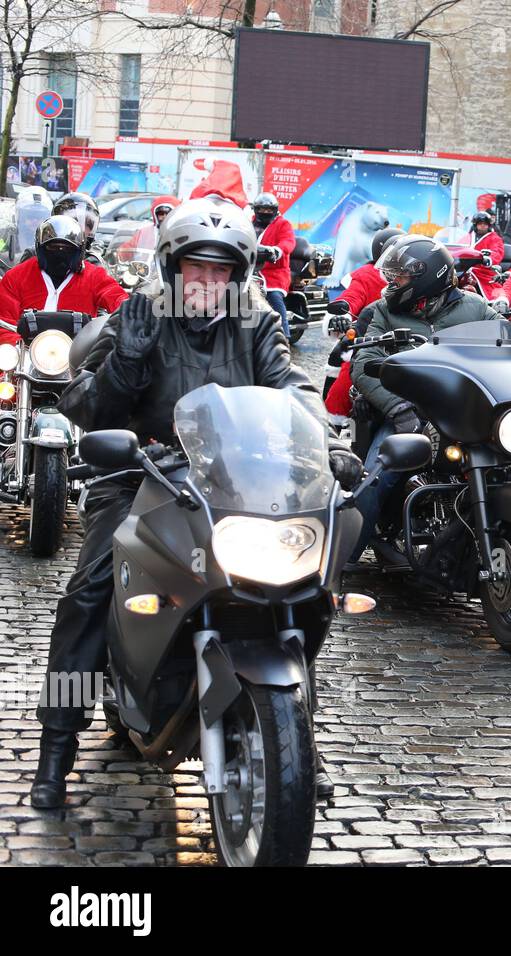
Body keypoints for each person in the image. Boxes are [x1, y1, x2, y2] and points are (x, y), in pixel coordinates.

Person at [28, 197, 362, 810]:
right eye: (196, 268)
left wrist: (327, 439)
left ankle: (295, 735)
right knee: (90, 589)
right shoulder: (138, 314)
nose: (208, 282)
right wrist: (125, 360)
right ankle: (57, 746)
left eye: (221, 270)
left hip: (233, 479)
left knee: (306, 581)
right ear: (173, 265)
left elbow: (290, 385)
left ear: (238, 274)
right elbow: (89, 410)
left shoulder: (256, 320)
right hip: (139, 472)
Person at [348, 236, 495, 561]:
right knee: (373, 478)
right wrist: (399, 410)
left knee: (509, 467)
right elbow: (363, 362)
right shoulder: (383, 312)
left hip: (465, 415)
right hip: (408, 414)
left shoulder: (476, 308)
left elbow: (509, 338)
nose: (391, 283)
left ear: (426, 275)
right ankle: (341, 563)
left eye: (399, 277)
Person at [0, 215, 127, 347]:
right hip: (26, 354)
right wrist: (17, 346)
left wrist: (129, 310)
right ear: (39, 248)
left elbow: (115, 295)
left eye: (67, 248)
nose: (60, 253)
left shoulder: (94, 276)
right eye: (53, 247)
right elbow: (3, 323)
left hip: (78, 354)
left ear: (80, 250)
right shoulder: (16, 276)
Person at [323, 227, 404, 416]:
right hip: (371, 343)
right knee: (341, 391)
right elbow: (352, 297)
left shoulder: (415, 277)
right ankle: (331, 436)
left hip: (410, 345)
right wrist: (341, 317)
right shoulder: (367, 276)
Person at [250, 191, 297, 339]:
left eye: (269, 210)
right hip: (249, 269)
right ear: (256, 209)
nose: (265, 212)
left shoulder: (283, 224)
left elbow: (288, 241)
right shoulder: (249, 222)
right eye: (262, 209)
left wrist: (277, 250)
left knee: (273, 296)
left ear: (275, 210)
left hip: (274, 272)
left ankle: (284, 335)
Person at [464, 210, 505, 298]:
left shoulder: (495, 238)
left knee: (493, 293)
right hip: (464, 269)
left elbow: (497, 252)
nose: (483, 226)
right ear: (475, 225)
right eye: (480, 223)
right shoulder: (468, 236)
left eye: (485, 224)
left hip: (483, 271)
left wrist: (487, 259)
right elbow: (459, 247)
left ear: (489, 225)